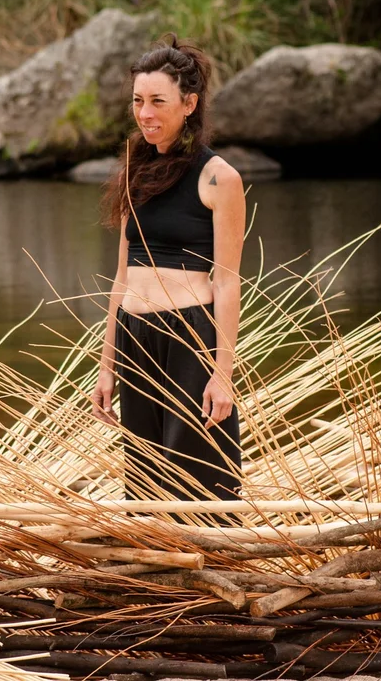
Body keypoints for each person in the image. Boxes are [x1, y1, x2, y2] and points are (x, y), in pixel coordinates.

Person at [91, 37, 246, 504]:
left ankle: (217, 563)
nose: (145, 113)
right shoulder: (133, 173)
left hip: (189, 339)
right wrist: (106, 365)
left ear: (189, 104)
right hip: (136, 336)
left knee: (198, 476)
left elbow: (226, 279)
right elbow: (121, 276)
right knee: (145, 478)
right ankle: (159, 569)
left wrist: (223, 373)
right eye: (138, 101)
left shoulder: (219, 177)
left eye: (158, 101)